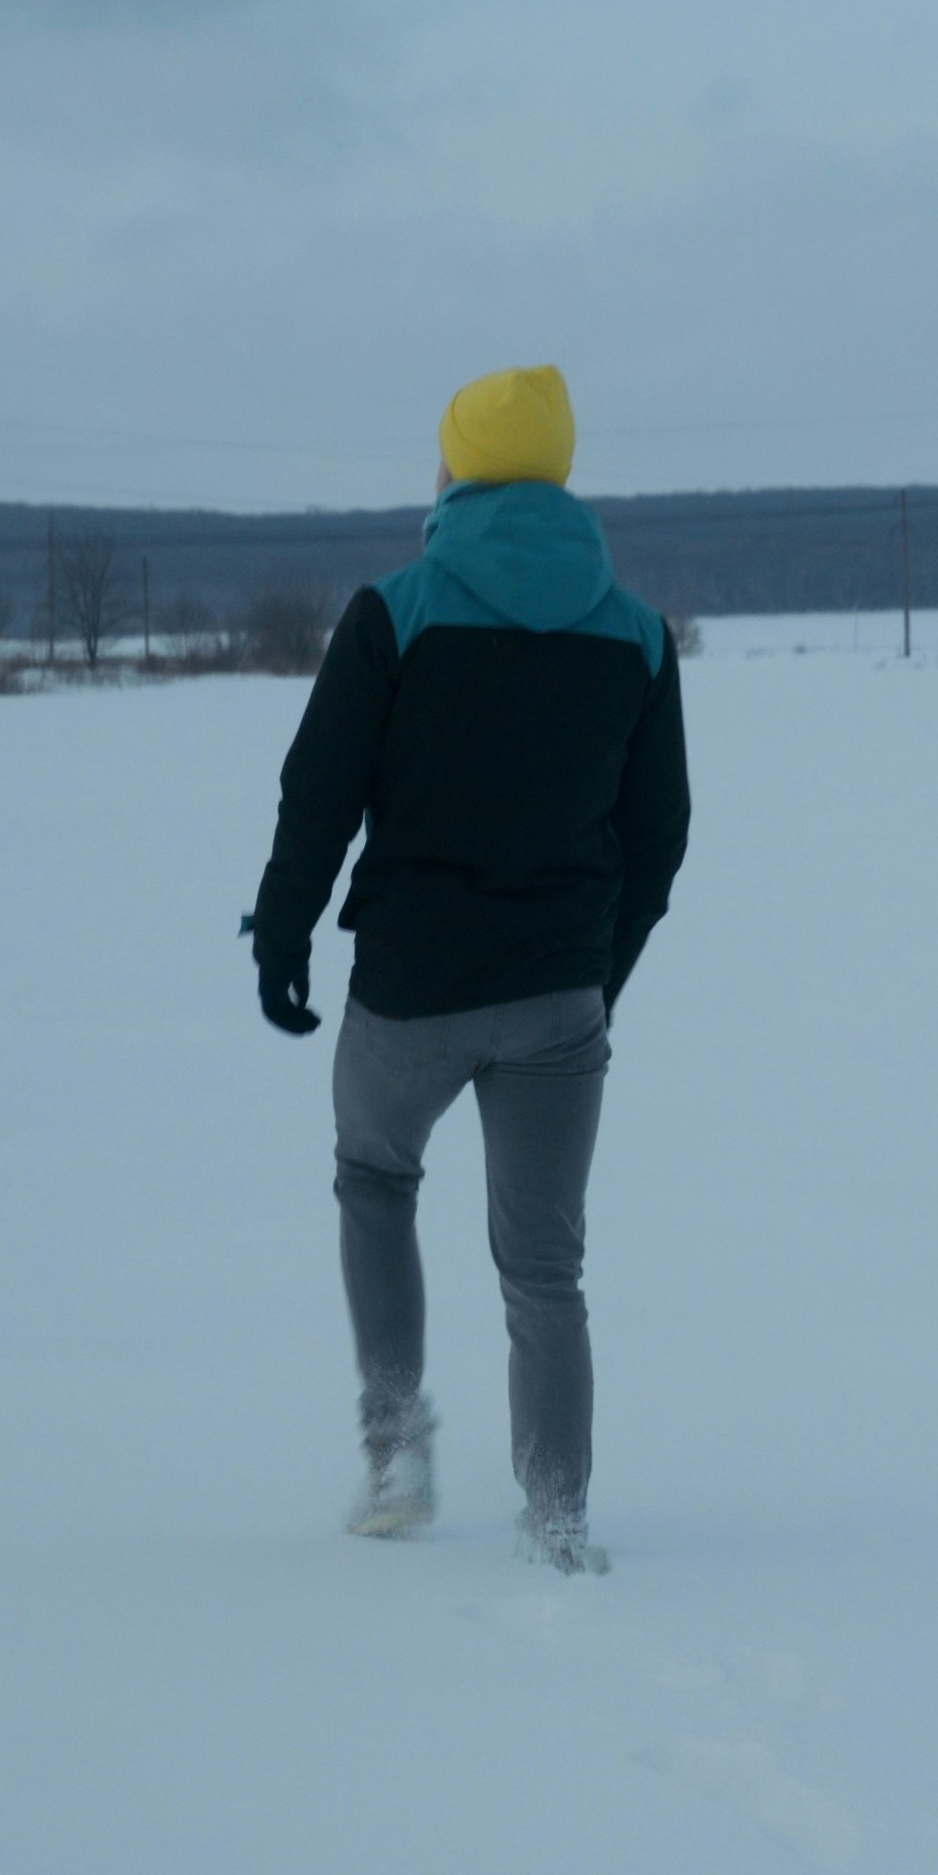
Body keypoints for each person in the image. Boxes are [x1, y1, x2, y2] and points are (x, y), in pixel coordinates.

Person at [248, 365, 689, 1575]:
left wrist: (283, 934)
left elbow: (318, 792)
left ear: (451, 473)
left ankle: (397, 1457)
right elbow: (659, 843)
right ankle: (557, 1519)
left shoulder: (395, 612)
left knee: (374, 1182)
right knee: (546, 1269)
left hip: (409, 993)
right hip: (558, 1000)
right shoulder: (639, 634)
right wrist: (598, 976)